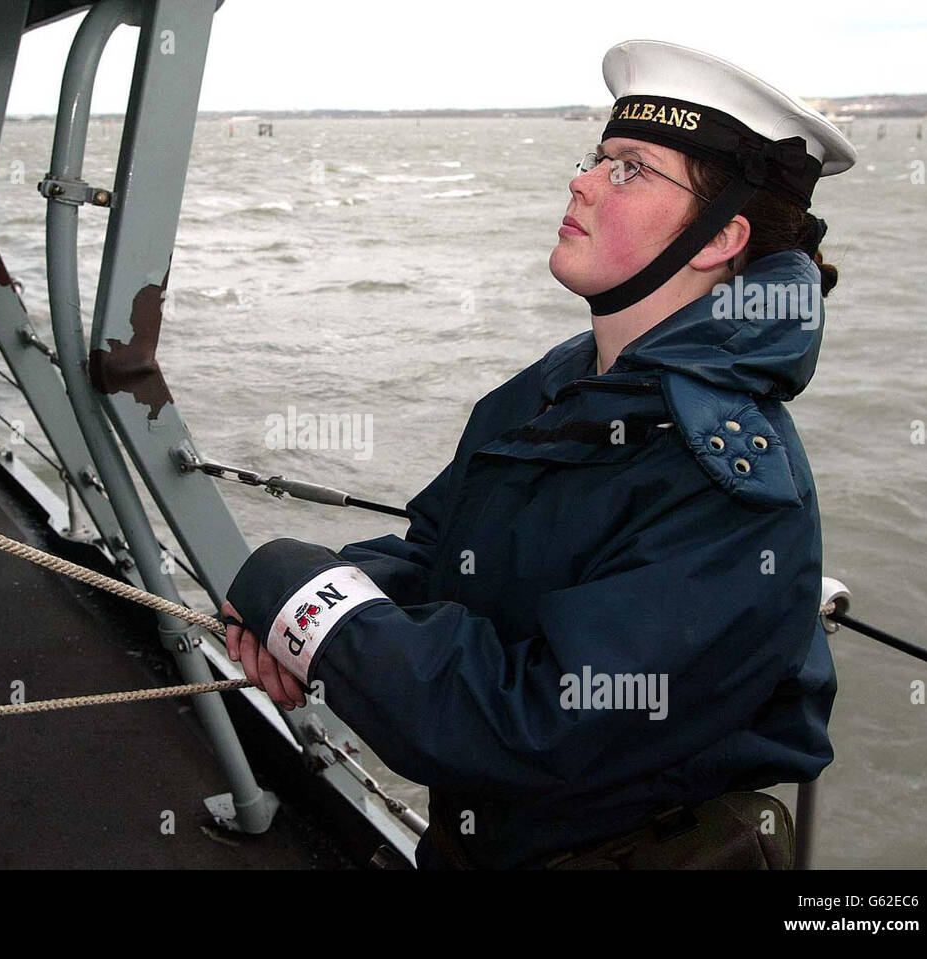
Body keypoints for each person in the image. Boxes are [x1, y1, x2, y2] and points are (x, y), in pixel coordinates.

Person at [222, 39, 855, 869]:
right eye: (598, 158)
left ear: (719, 237)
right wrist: (302, 605)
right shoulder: (562, 384)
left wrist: (299, 598)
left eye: (630, 169)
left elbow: (531, 723)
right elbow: (438, 554)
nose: (583, 180)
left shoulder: (727, 485)